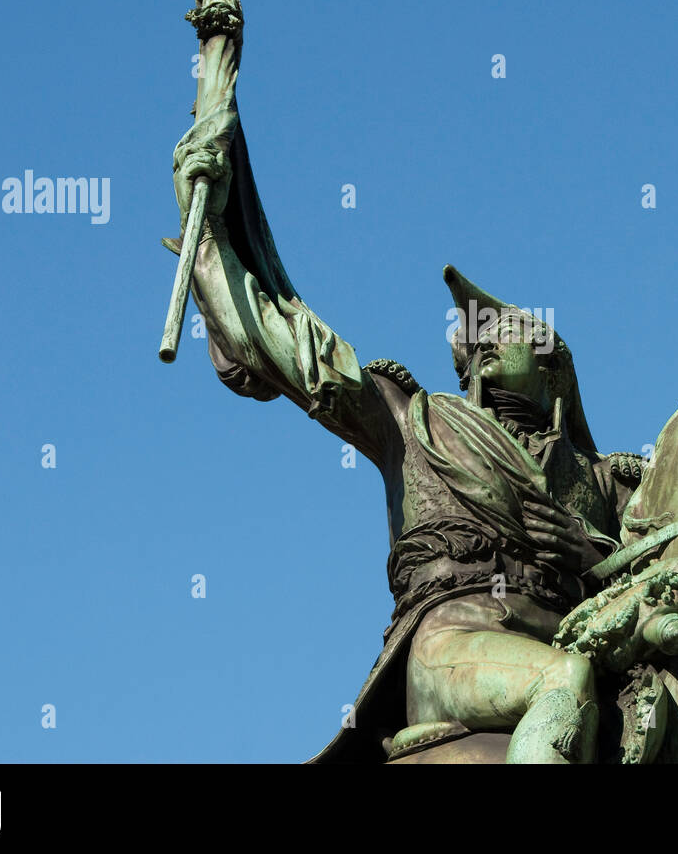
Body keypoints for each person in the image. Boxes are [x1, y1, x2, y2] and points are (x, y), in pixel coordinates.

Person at [168, 108, 646, 762]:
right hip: (457, 641)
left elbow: (668, 578)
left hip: (581, 649)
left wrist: (586, 557)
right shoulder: (414, 420)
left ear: (555, 367)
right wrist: (212, 238)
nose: (478, 350)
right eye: (472, 347)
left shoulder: (610, 482)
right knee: (565, 679)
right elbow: (289, 343)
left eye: (504, 336)